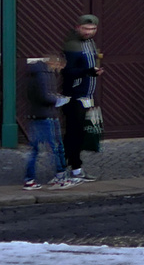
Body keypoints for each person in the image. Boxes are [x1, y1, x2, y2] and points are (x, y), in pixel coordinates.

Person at [60, 15, 103, 183]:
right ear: (77, 27)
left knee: (80, 133)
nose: (89, 32)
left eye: (92, 29)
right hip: (74, 97)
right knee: (73, 134)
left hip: (87, 95)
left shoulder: (90, 43)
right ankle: (71, 169)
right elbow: (67, 71)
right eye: (86, 29)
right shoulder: (72, 45)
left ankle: (71, 166)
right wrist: (88, 72)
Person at [21, 47, 70, 190]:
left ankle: (30, 180)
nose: (59, 71)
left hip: (38, 115)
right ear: (56, 63)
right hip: (45, 116)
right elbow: (44, 96)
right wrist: (58, 100)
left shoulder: (36, 72)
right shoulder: (43, 73)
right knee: (53, 148)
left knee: (36, 148)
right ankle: (59, 177)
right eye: (60, 67)